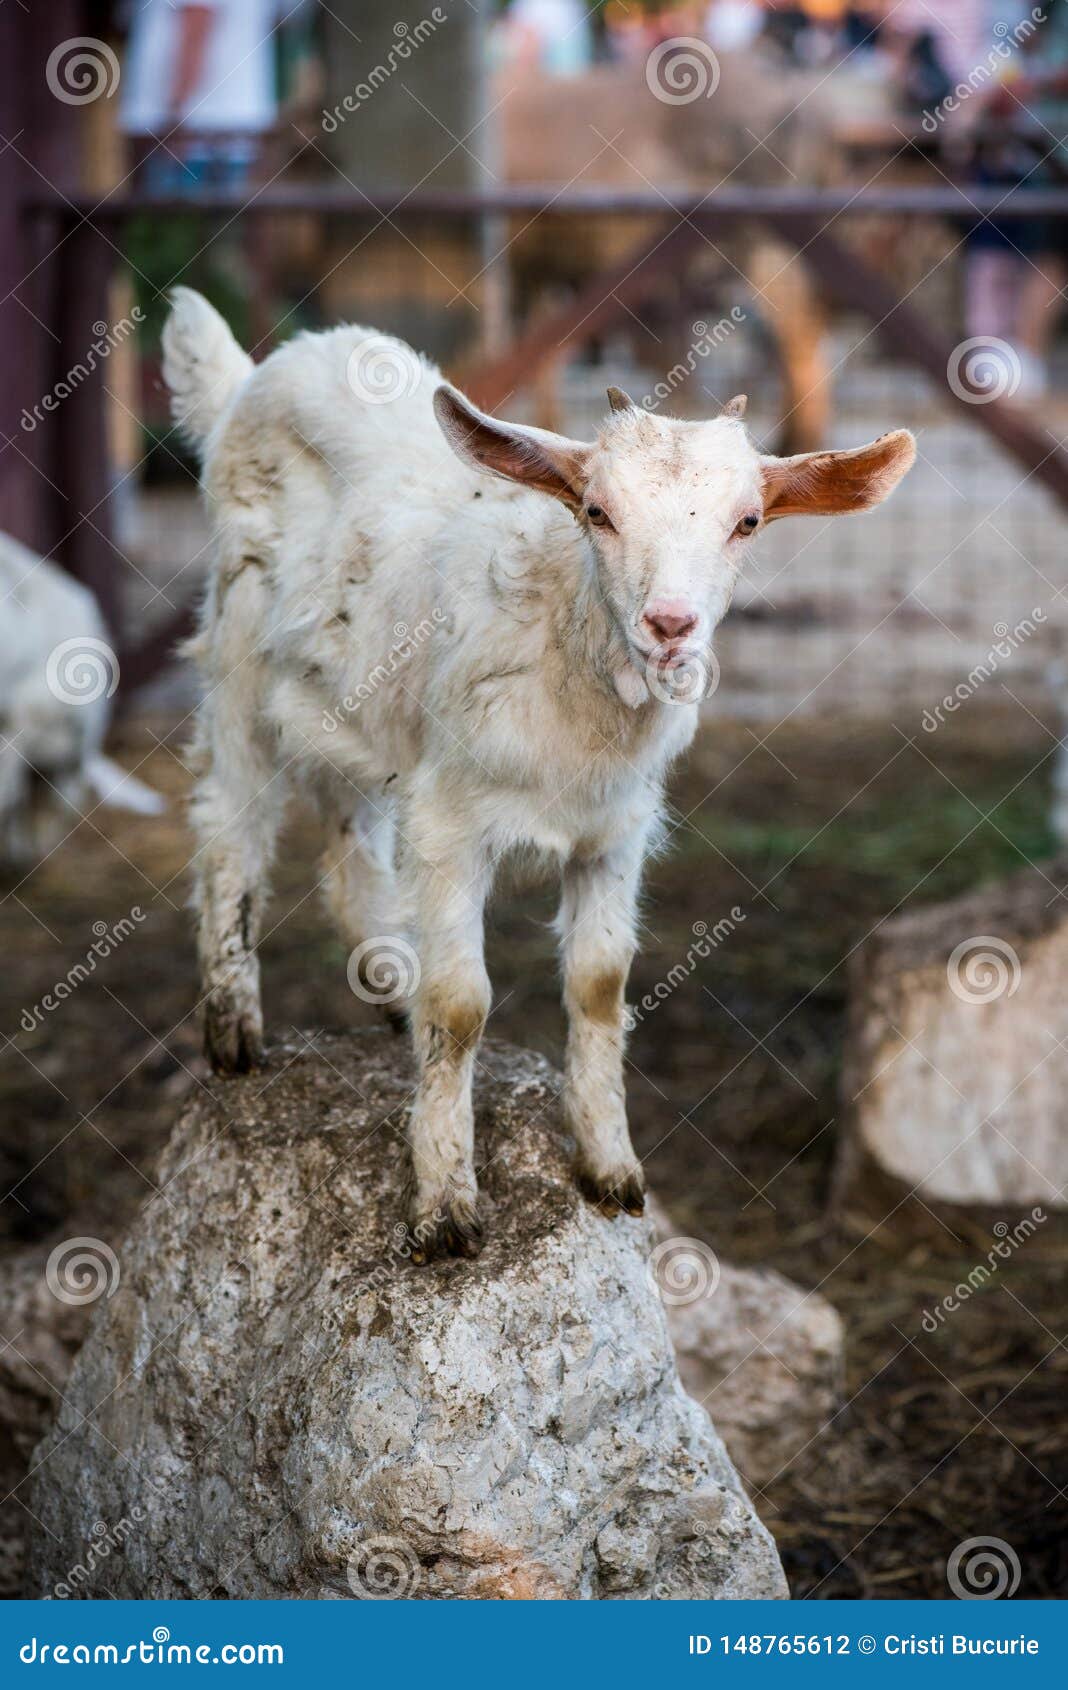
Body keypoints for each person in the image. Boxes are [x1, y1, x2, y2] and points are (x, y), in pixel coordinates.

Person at [119, 0, 295, 191]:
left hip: (192, 134)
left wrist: (174, 117)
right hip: (219, 131)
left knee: (176, 207)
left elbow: (196, 31)